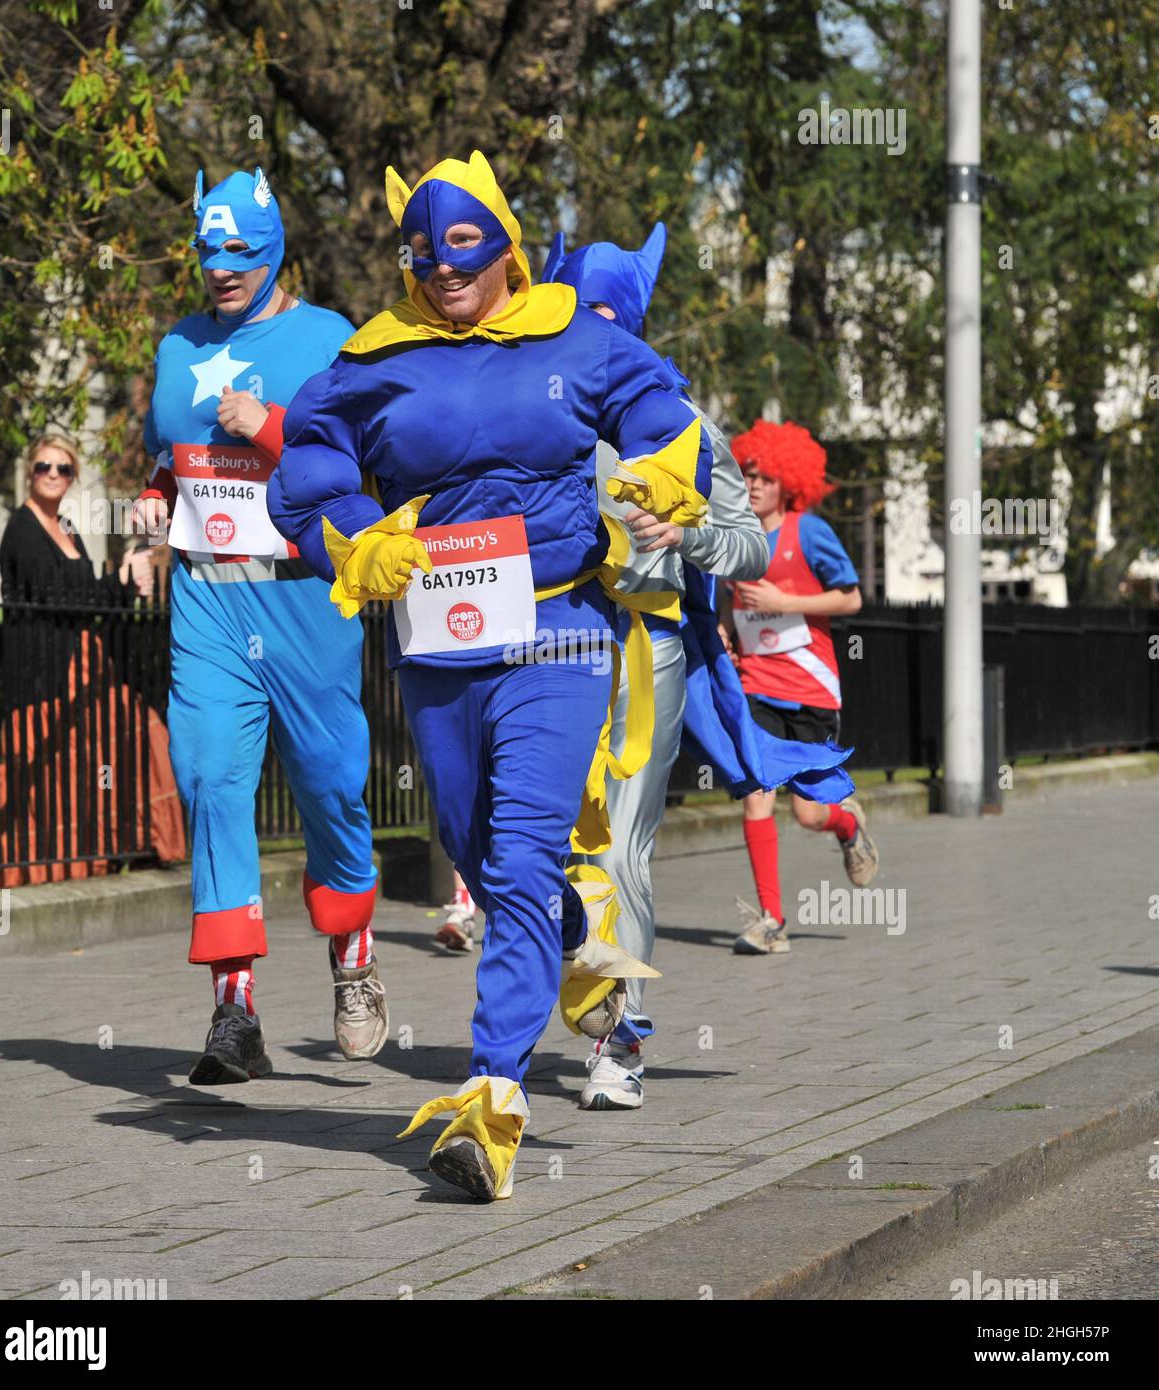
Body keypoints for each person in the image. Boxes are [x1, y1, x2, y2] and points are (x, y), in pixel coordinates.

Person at [269, 150, 713, 1200]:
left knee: (515, 853)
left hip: (558, 630)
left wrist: (658, 476)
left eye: (464, 250)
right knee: (474, 845)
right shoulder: (376, 358)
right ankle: (577, 959)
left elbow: (658, 406)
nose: (444, 272)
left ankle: (491, 1101)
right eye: (423, 255)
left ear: (507, 248)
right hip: (436, 642)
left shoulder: (573, 335)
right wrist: (348, 541)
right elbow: (310, 464)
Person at [544, 227, 852, 1110]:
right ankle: (576, 959)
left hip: (649, 649)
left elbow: (751, 547)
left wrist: (689, 535)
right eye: (580, 314)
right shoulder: (537, 405)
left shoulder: (681, 421)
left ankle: (622, 1038)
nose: (596, 332)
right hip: (547, 649)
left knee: (627, 849)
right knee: (541, 848)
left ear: (635, 326)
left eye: (612, 317)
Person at [134, 168, 382, 1087]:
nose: (220, 266)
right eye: (207, 248)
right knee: (206, 777)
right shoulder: (177, 344)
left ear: (273, 245)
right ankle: (233, 1008)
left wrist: (271, 425)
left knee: (334, 785)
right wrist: (152, 506)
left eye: (238, 249)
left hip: (304, 596)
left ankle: (352, 956)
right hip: (207, 594)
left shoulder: (330, 340)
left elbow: (365, 466)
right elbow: (175, 461)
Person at [0, 434, 184, 885]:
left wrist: (125, 581)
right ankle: (41, 864)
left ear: (73, 475)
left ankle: (137, 844)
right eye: (44, 467)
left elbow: (88, 599)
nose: (53, 475)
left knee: (142, 734)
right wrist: (117, 579)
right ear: (29, 472)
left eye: (63, 468)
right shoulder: (21, 530)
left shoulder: (70, 528)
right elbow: (58, 599)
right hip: (45, 675)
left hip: (87, 671)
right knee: (58, 770)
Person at [721, 419, 879, 956]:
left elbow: (851, 598)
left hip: (810, 689)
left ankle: (846, 826)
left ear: (790, 481)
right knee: (755, 799)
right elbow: (731, 602)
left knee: (808, 812)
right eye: (748, 474)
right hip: (756, 687)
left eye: (765, 476)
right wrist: (724, 628)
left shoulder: (808, 532)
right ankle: (771, 921)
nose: (755, 484)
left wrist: (787, 604)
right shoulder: (735, 537)